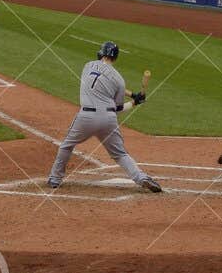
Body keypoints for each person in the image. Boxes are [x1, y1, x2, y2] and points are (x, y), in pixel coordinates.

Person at [47, 41, 162, 194]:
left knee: (67, 146)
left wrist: (133, 95)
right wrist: (135, 101)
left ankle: (55, 179)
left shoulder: (88, 66)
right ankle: (141, 178)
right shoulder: (119, 80)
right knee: (120, 154)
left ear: (102, 53)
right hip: (108, 119)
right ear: (115, 58)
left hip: (86, 117)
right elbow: (118, 107)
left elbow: (100, 79)